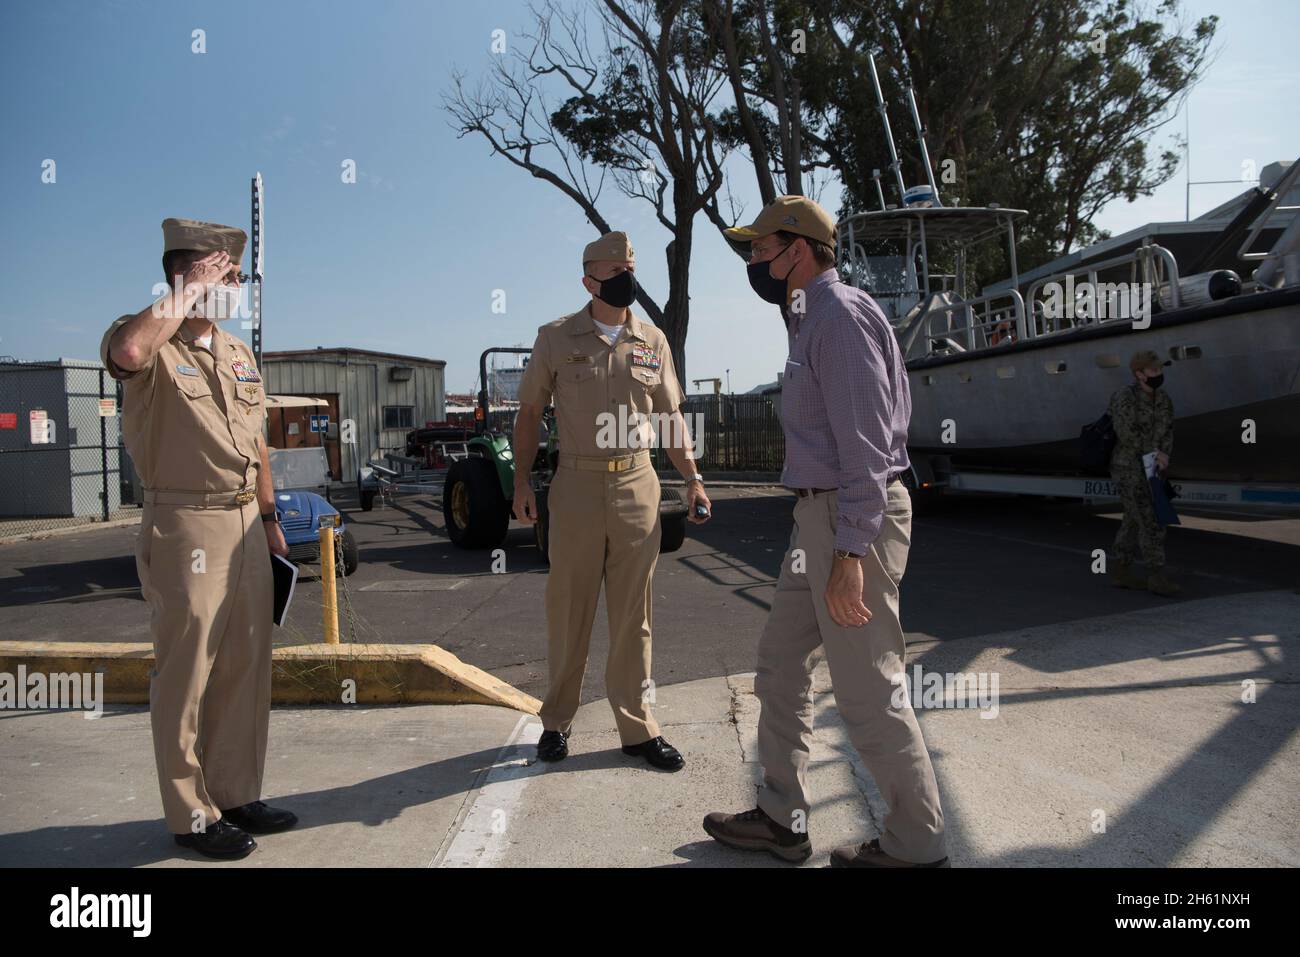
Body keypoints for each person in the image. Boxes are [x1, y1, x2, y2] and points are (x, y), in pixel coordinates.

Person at [702, 196, 949, 867]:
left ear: (797, 250)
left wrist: (850, 552)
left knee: (868, 686)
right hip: (819, 517)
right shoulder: (812, 316)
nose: (752, 260)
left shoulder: (836, 315)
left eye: (759, 248)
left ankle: (918, 845)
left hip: (847, 519)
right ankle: (783, 816)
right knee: (781, 662)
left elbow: (866, 445)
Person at [100, 218, 297, 860]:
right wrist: (184, 295)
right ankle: (191, 816)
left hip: (245, 524)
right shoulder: (147, 339)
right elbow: (127, 356)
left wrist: (270, 522)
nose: (237, 287)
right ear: (189, 275)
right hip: (186, 521)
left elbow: (257, 443)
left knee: (246, 665)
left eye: (236, 277)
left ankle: (237, 792)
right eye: (226, 276)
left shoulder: (237, 352)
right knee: (186, 674)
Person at [511, 231, 711, 770]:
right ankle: (555, 723)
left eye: (630, 268)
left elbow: (670, 417)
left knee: (633, 617)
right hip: (575, 487)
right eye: (614, 272)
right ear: (588, 280)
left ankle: (638, 730)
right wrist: (522, 482)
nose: (626, 278)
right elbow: (529, 415)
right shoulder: (554, 338)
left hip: (637, 485)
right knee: (568, 610)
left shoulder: (653, 341)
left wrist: (692, 477)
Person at [1108, 350, 1179, 596]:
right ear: (1139, 374)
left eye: (1160, 370)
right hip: (1129, 469)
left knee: (1133, 520)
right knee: (1151, 522)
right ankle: (1157, 575)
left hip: (1153, 468)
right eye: (1153, 371)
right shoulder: (1125, 398)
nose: (1158, 375)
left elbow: (1168, 429)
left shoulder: (1163, 399)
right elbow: (1126, 433)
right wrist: (1154, 452)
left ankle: (1121, 571)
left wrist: (1164, 455)